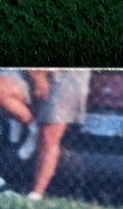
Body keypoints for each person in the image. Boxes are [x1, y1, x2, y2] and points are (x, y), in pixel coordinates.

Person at [24, 69, 92, 200]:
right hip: (32, 70)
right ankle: (34, 131)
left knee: (49, 136)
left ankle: (36, 193)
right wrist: (37, 75)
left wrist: (40, 75)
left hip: (67, 74)